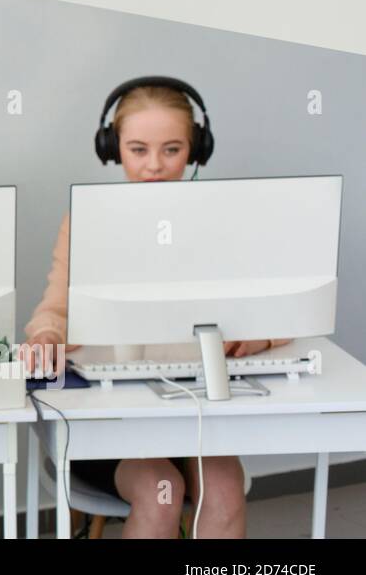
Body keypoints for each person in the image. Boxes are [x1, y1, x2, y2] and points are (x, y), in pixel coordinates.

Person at [19, 77, 288, 538]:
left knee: (224, 486)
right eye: (138, 149)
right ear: (112, 147)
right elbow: (54, 310)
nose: (154, 166)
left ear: (195, 149)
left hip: (193, 408)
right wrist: (46, 334)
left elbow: (281, 307)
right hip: (111, 413)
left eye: (171, 149)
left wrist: (260, 335)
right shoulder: (86, 220)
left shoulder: (221, 219)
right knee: (161, 487)